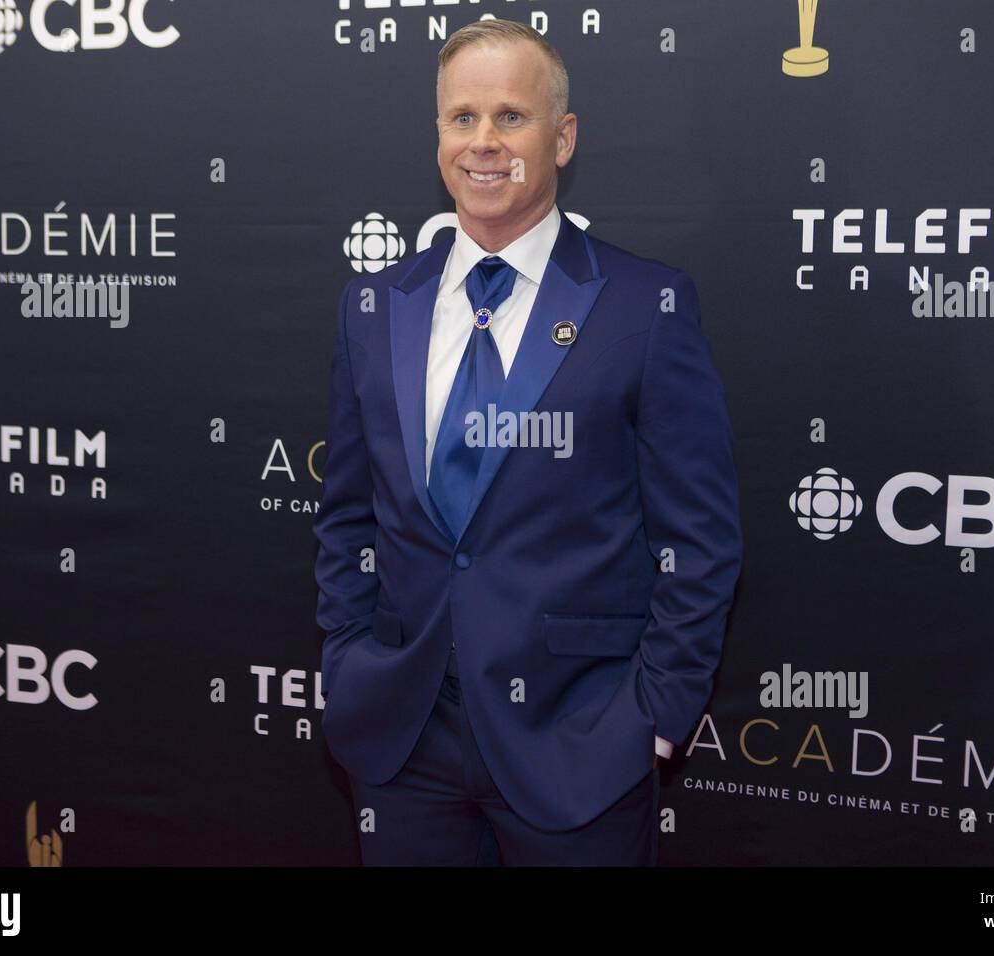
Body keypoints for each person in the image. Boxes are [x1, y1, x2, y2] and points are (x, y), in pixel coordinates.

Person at [314, 19, 742, 866]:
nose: (484, 142)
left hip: (580, 745)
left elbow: (701, 538)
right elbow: (347, 514)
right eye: (462, 117)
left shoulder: (645, 307)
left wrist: (656, 714)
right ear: (438, 135)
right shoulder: (374, 307)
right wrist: (348, 659)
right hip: (402, 743)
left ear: (563, 137)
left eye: (511, 116)